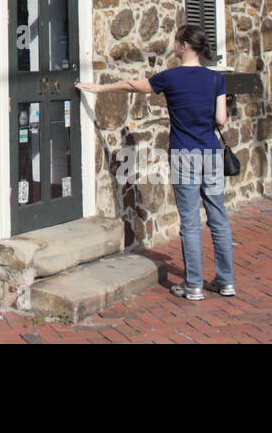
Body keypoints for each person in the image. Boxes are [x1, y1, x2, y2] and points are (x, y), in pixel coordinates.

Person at [75, 24, 235, 301]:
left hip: (185, 153)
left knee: (190, 221)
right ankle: (226, 281)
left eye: (176, 41)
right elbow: (221, 119)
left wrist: (100, 88)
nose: (173, 46)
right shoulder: (215, 79)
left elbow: (132, 86)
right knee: (218, 217)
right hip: (211, 153)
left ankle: (194, 285)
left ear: (184, 45)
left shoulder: (170, 78)